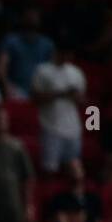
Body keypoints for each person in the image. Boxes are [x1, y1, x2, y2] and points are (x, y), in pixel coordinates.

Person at [29, 40, 86, 174]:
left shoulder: (76, 73)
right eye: (64, 52)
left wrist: (76, 97)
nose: (67, 56)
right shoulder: (42, 70)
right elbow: (35, 99)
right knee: (50, 170)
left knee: (73, 169)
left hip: (73, 129)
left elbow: (84, 102)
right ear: (57, 52)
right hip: (51, 127)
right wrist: (61, 93)